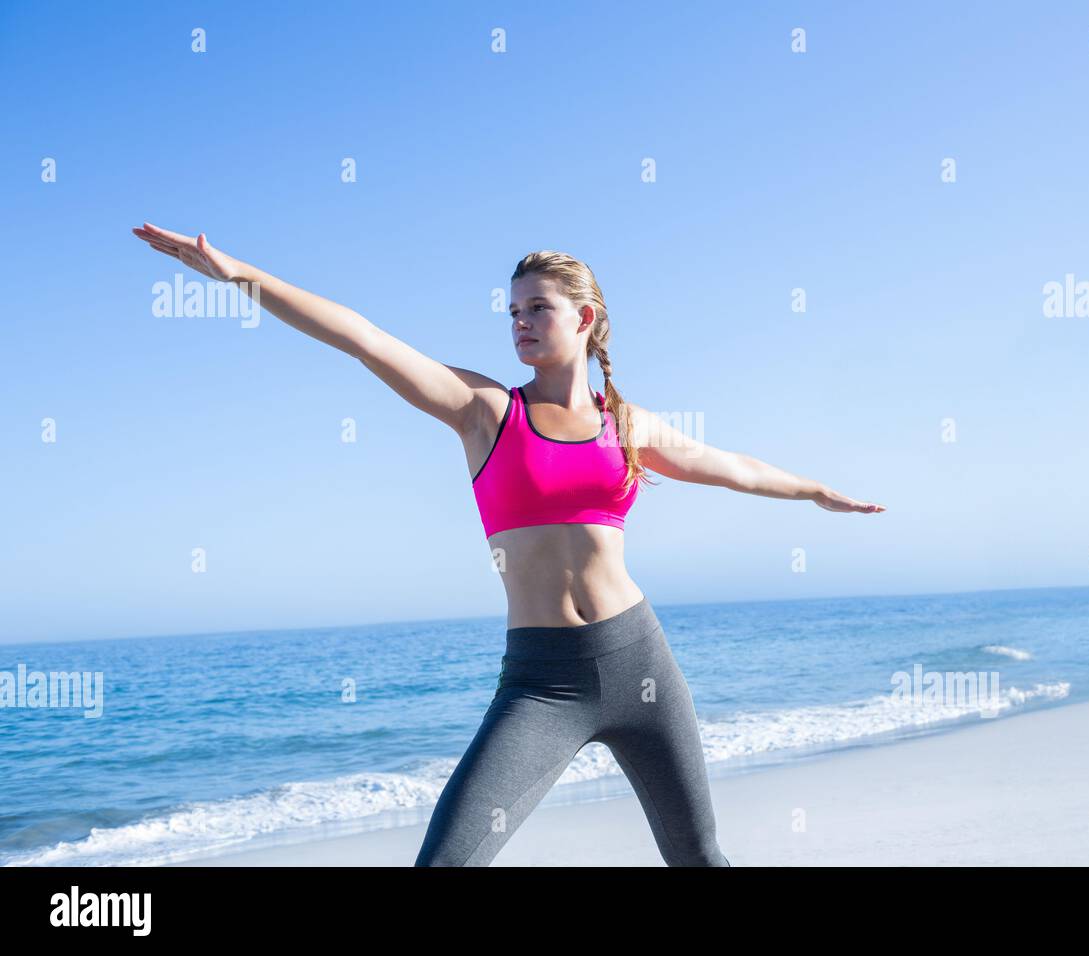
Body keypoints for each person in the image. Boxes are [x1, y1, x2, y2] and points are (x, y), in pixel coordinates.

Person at [131, 223, 887, 866]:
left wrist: (816, 490)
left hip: (640, 662)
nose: (520, 323)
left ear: (585, 317)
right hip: (541, 683)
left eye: (538, 309)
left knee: (698, 858)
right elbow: (361, 337)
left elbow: (733, 468)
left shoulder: (628, 425)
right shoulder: (485, 411)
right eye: (512, 311)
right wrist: (237, 275)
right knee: (447, 860)